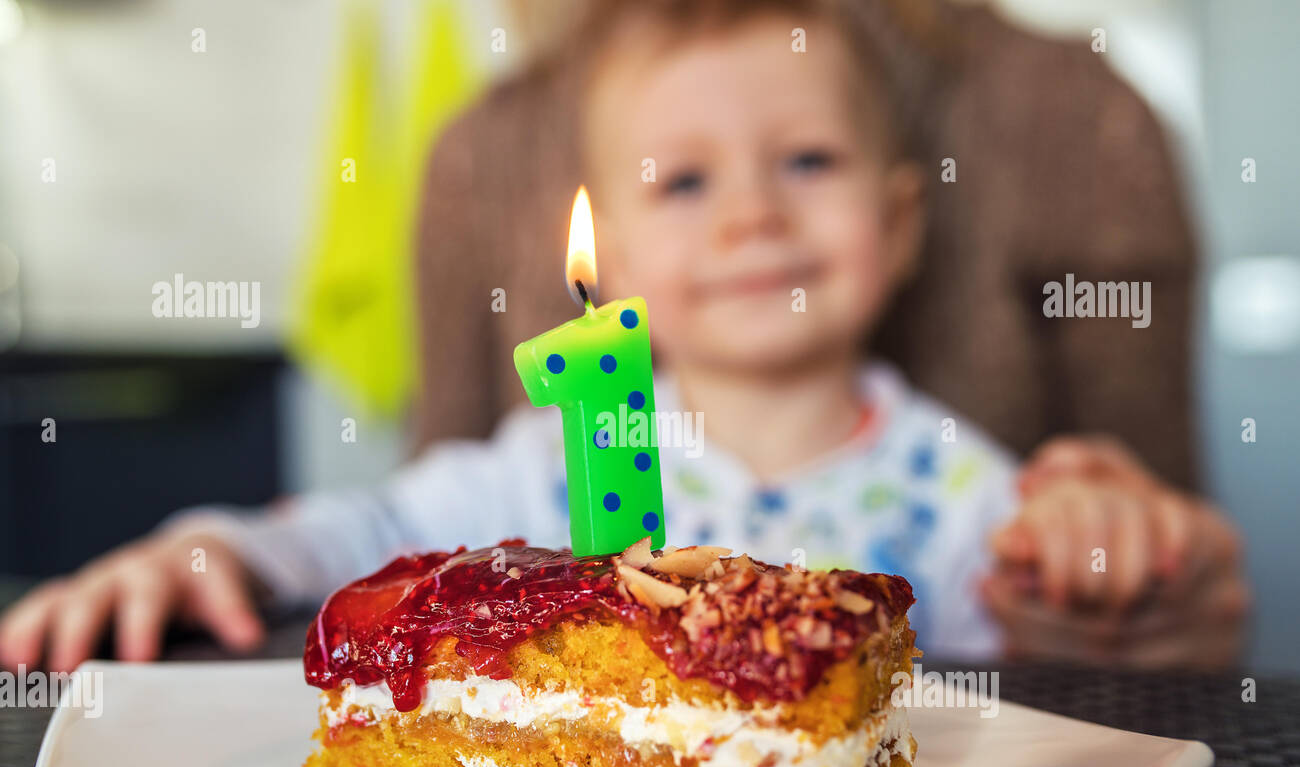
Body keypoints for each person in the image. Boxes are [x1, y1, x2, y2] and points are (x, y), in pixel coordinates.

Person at [0, 0, 1246, 675]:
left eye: (806, 162)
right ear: (621, 259)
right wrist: (205, 546)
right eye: (683, 185)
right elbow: (366, 533)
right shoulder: (547, 462)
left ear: (899, 221)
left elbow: (1068, 634)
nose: (754, 214)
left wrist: (1104, 545)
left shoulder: (954, 478)